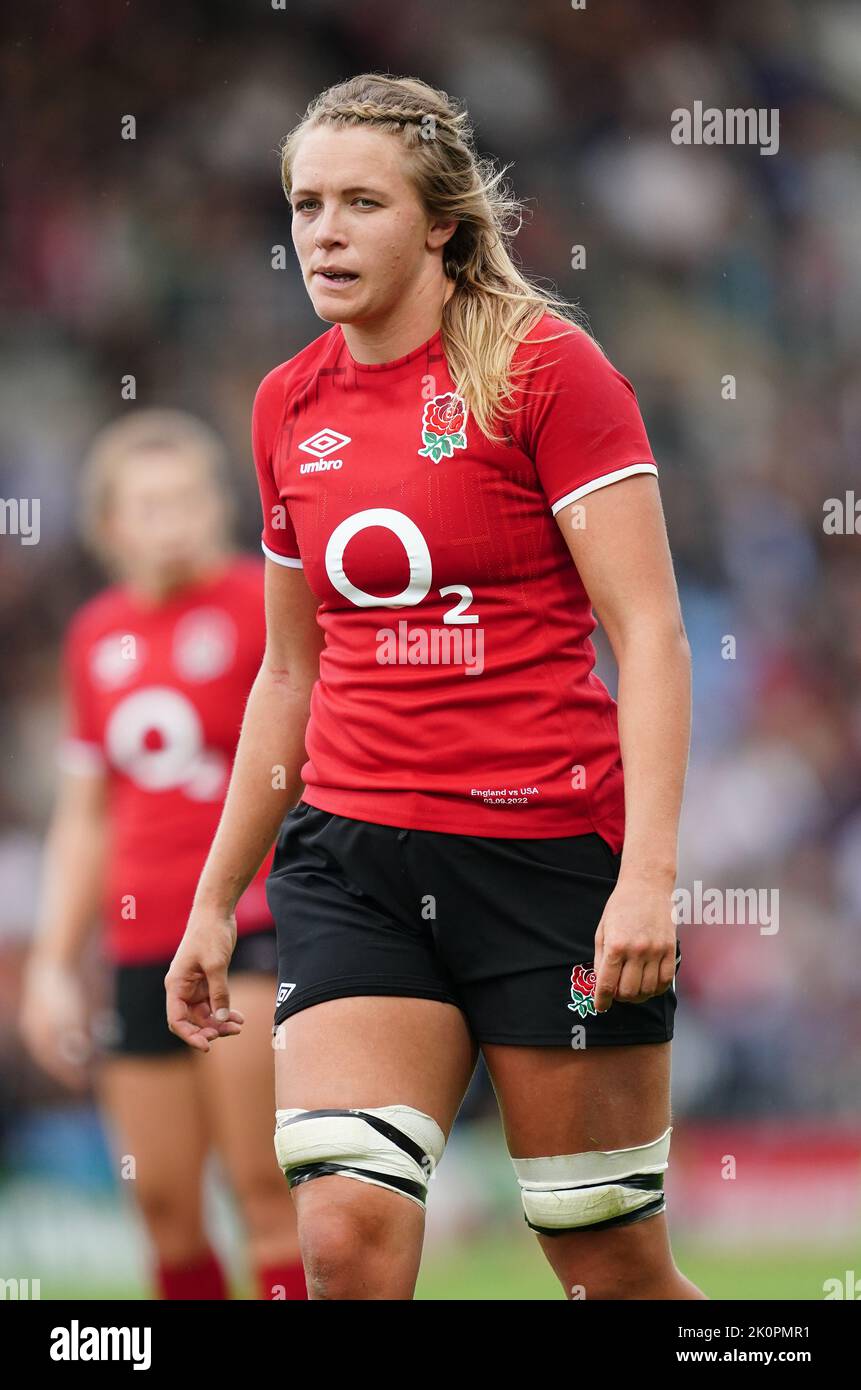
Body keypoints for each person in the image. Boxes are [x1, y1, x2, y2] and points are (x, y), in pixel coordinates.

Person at [166, 72, 705, 1301]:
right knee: (342, 1241)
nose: (325, 230)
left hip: (544, 862)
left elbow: (654, 634)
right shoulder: (285, 404)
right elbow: (289, 673)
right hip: (351, 858)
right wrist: (214, 896)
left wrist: (650, 877)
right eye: (306, 204)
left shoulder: (549, 372)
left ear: (441, 223)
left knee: (606, 1265)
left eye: (362, 202)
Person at [19, 409, 306, 1301]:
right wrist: (53, 963)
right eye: (150, 504)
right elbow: (87, 817)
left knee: (265, 1188)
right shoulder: (95, 636)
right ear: (110, 525)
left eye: (189, 498)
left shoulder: (264, 603)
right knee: (165, 1208)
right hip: (141, 942)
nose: (174, 519)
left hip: (248, 923)